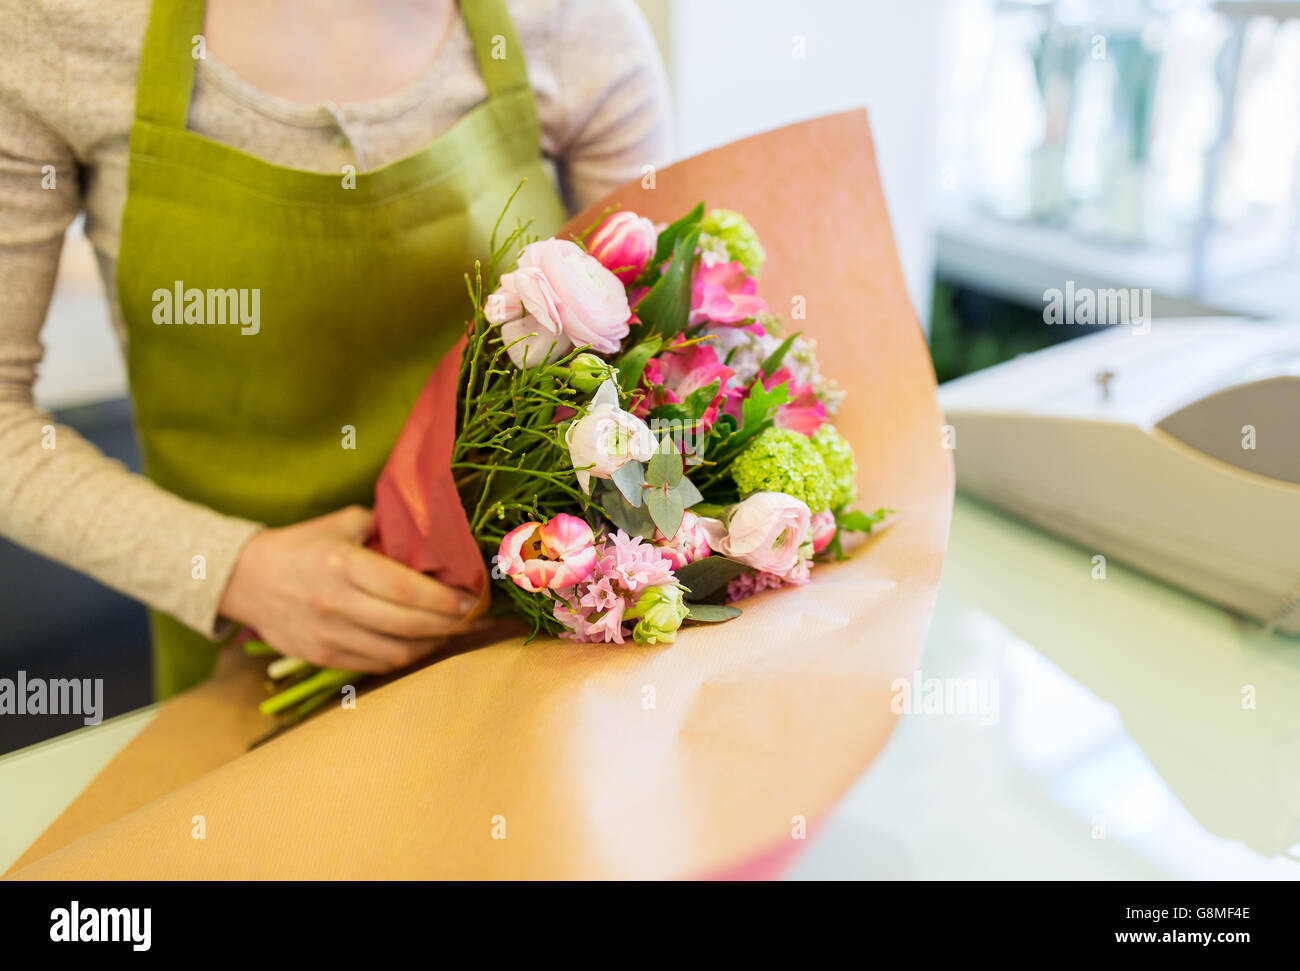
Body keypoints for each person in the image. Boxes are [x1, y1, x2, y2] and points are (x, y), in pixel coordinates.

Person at [0, 0, 673, 697]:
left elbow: (661, 361)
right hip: (248, 675)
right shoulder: (62, 23)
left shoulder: (572, 18)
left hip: (548, 652)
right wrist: (231, 568)